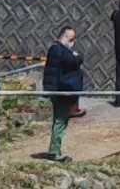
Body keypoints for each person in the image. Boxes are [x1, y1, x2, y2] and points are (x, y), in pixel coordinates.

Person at [42, 25, 83, 163]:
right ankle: (54, 152)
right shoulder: (58, 50)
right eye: (71, 39)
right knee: (60, 121)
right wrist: (76, 56)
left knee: (60, 121)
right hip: (60, 91)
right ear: (64, 36)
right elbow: (73, 61)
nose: (72, 42)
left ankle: (56, 150)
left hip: (58, 90)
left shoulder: (56, 49)